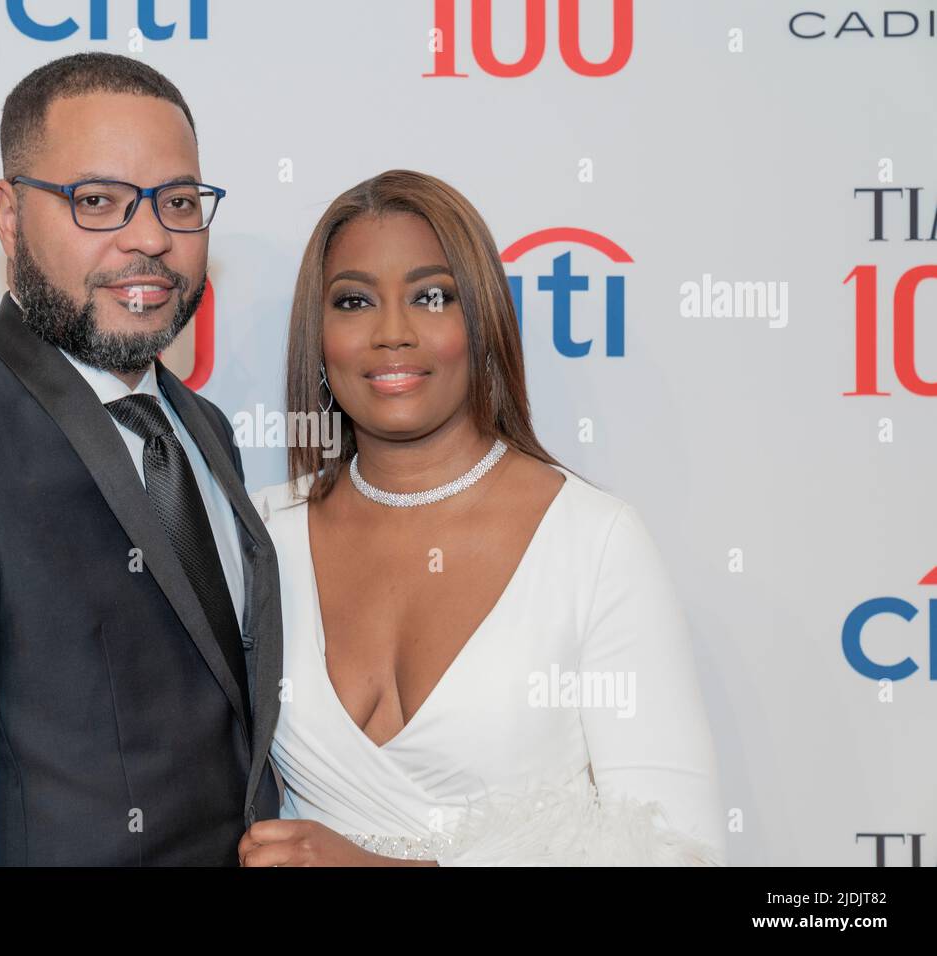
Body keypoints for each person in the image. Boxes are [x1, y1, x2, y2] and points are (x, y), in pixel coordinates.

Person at [0, 53, 281, 865]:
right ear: (9, 215)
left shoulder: (202, 430)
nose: (150, 239)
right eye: (96, 201)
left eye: (178, 202)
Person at [239, 170, 725, 866]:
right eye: (353, 301)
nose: (392, 333)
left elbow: (681, 852)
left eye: (431, 297)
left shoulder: (591, 541)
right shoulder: (259, 537)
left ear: (484, 321)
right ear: (319, 339)